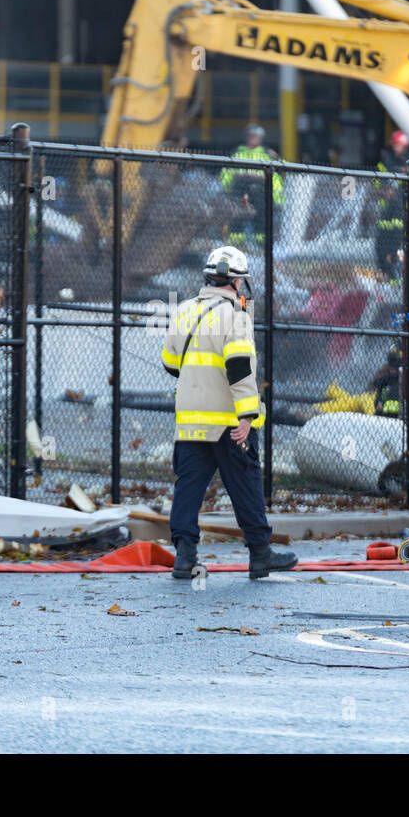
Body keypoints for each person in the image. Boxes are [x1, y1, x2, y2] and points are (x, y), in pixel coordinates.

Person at [161, 245, 298, 580]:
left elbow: (169, 362)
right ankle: (260, 555)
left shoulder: (183, 310)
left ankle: (184, 557)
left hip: (192, 422)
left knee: (188, 489)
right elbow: (239, 367)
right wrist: (247, 414)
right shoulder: (236, 315)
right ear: (237, 283)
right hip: (228, 422)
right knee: (245, 487)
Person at [373, 130, 409, 279]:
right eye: (396, 145)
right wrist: (384, 190)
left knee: (400, 248)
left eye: (400, 146)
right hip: (386, 212)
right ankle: (386, 275)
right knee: (381, 247)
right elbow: (377, 181)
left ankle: (397, 278)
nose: (397, 149)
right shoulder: (386, 161)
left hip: (404, 211)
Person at [219, 124, 284, 243]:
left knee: (261, 212)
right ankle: (236, 237)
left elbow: (275, 176)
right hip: (238, 188)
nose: (253, 139)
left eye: (256, 136)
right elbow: (227, 172)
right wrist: (226, 188)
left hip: (260, 189)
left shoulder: (268, 154)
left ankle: (260, 238)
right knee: (238, 211)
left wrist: (276, 194)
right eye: (251, 136)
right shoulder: (237, 152)